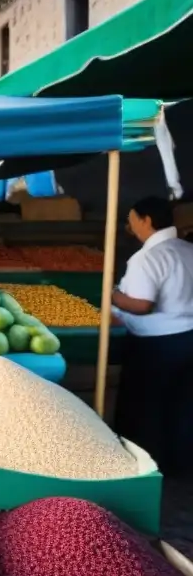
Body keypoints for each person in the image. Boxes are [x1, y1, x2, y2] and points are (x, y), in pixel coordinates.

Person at [111, 196, 193, 475]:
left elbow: (143, 305)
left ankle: (148, 468)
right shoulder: (187, 249)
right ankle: (181, 468)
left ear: (146, 220)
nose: (129, 225)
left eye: (132, 218)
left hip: (158, 345)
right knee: (183, 407)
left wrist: (114, 296)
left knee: (147, 409)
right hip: (188, 337)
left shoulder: (148, 257)